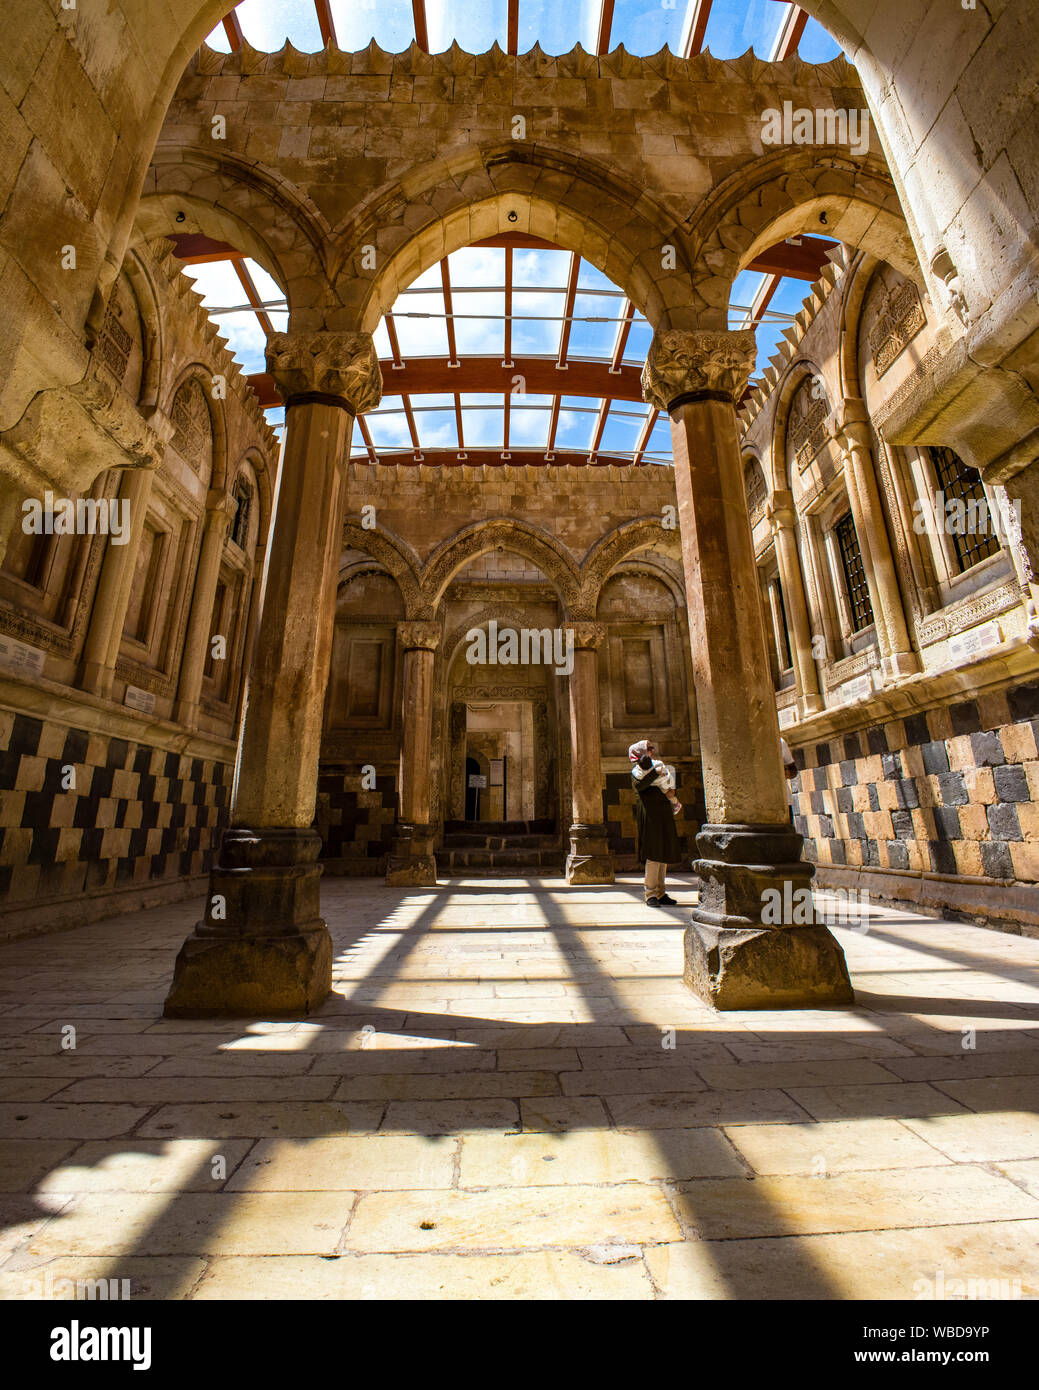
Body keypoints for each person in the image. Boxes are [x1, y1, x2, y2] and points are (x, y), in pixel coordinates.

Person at [628, 739, 681, 907]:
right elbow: (640, 786)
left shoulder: (659, 766)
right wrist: (655, 773)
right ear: (641, 753)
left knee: (662, 852)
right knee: (653, 853)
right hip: (649, 815)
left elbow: (668, 783)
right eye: (648, 748)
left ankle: (661, 892)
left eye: (652, 748)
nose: (652, 751)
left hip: (663, 813)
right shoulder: (637, 772)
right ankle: (650, 893)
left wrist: (671, 790)